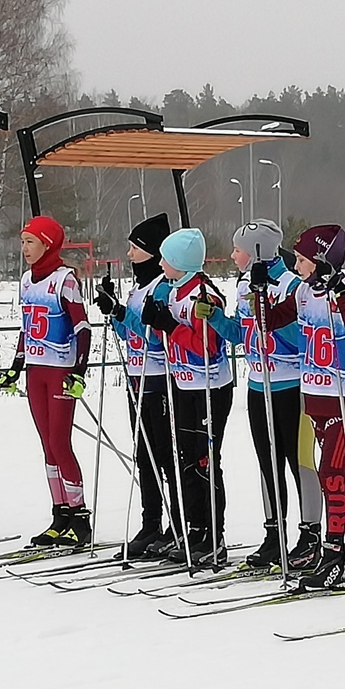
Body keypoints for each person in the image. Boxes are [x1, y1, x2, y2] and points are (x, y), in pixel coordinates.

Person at [255, 225, 345, 588]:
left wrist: (338, 290)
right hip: (315, 396)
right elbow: (270, 323)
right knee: (339, 475)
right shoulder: (304, 291)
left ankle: (334, 552)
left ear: (323, 260)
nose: (297, 264)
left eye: (304, 259)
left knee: (332, 473)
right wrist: (260, 291)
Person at [206, 219, 314, 570]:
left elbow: (302, 340)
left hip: (291, 387)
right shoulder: (243, 286)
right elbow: (241, 334)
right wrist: (216, 321)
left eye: (238, 249)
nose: (232, 255)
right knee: (268, 466)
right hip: (258, 386)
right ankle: (274, 533)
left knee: (300, 466)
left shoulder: (291, 284)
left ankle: (311, 534)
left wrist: (270, 314)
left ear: (256, 252)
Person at [134, 227, 233, 566]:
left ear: (180, 261)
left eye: (166, 258)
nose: (160, 263)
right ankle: (194, 528)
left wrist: (169, 325)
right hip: (184, 384)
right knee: (186, 461)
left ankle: (213, 534)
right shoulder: (176, 291)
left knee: (205, 463)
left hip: (209, 387)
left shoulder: (202, 295)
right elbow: (170, 337)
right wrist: (156, 322)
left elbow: (206, 346)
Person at [0, 216, 92, 548]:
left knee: (60, 441)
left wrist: (79, 371)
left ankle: (80, 518)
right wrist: (15, 366)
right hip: (35, 371)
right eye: (22, 241)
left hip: (60, 371)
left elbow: (83, 328)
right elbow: (27, 327)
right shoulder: (26, 280)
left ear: (47, 245)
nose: (24, 248)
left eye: (31, 242)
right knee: (47, 445)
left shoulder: (65, 280)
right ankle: (60, 513)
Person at [95, 212, 180, 558]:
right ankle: (151, 523)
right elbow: (131, 333)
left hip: (159, 380)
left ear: (152, 251)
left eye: (135, 248)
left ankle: (178, 524)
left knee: (164, 455)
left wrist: (126, 314)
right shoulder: (139, 287)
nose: (129, 254)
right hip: (137, 379)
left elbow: (156, 336)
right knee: (143, 455)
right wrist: (115, 311)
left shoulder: (162, 286)